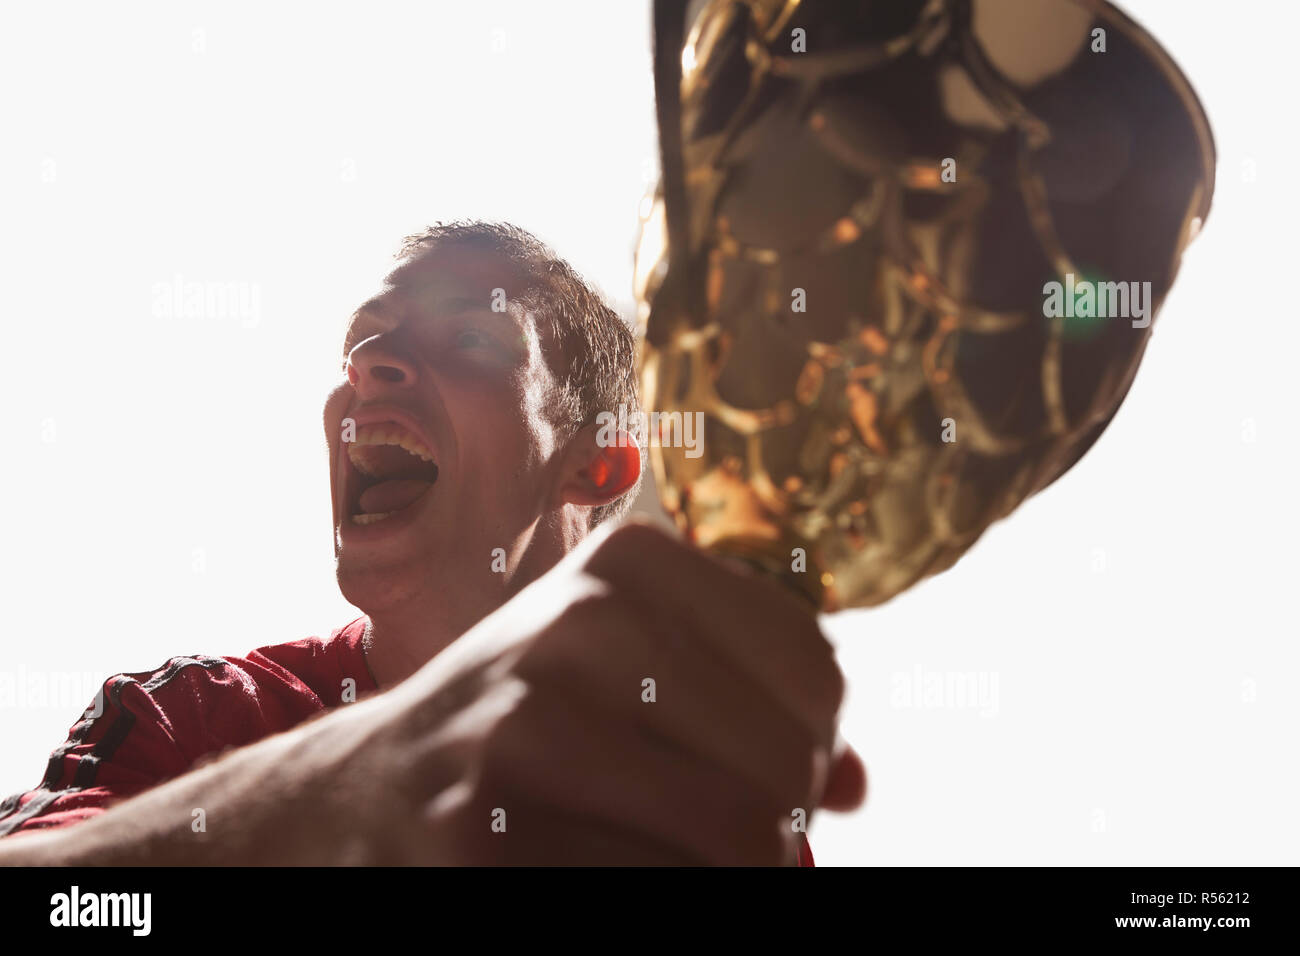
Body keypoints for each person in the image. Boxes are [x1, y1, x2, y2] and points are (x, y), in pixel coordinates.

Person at [0, 221, 865, 865]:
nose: (371, 362)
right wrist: (359, 785)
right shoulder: (189, 713)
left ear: (599, 463)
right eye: (362, 344)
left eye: (473, 339)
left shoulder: (697, 801)